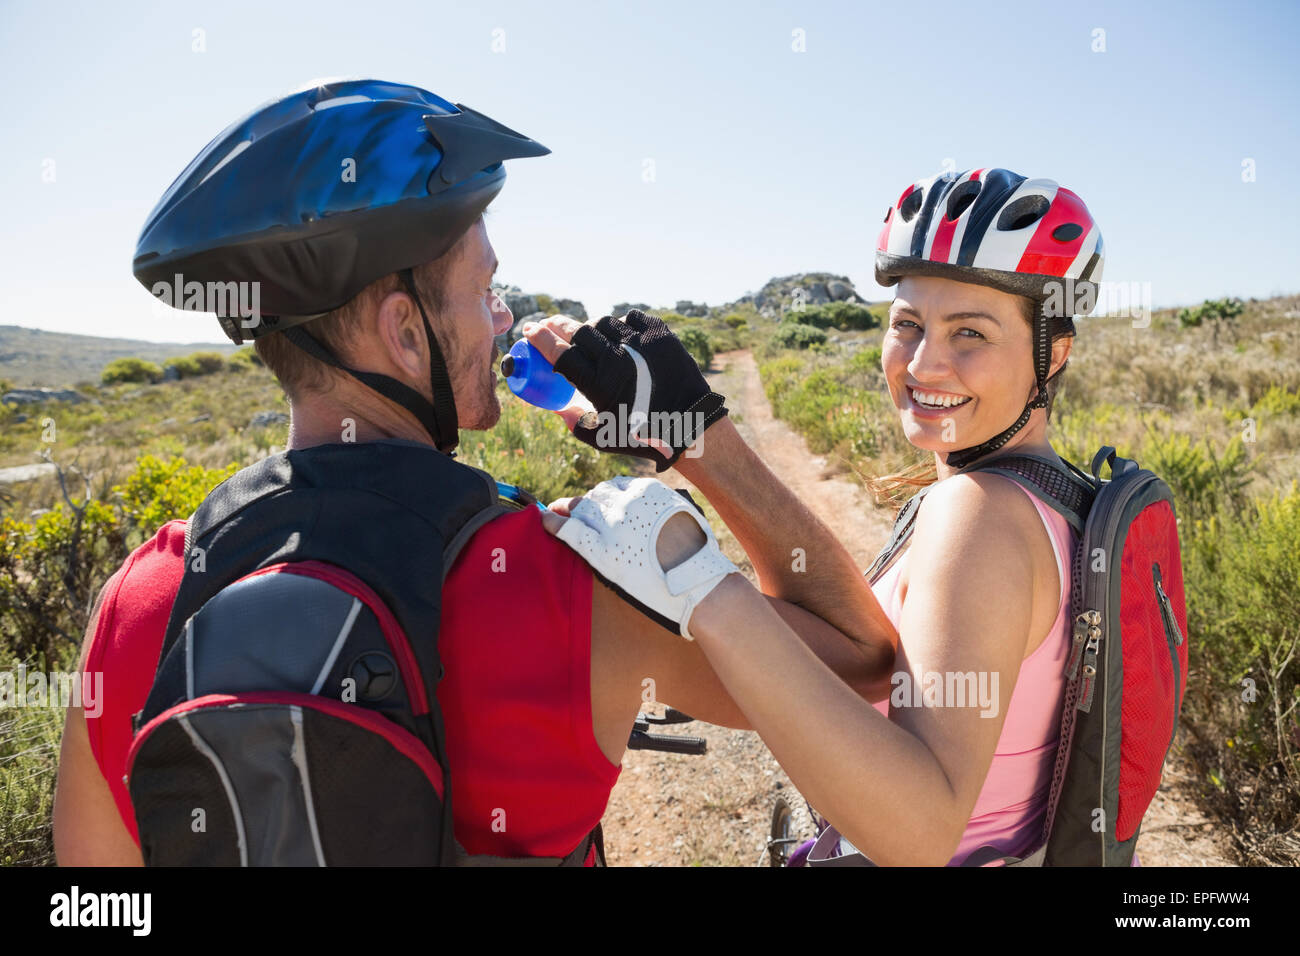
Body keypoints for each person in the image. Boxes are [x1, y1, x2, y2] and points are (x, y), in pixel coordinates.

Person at [51, 79, 896, 866]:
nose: (502, 319)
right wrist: (697, 431)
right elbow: (861, 665)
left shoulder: (139, 602)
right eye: (486, 289)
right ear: (405, 333)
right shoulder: (568, 586)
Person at [530, 167, 1128, 866]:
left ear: (1051, 354)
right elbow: (867, 657)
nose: (926, 363)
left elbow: (921, 832)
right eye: (908, 325)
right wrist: (698, 440)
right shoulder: (1054, 498)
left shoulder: (981, 514)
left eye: (970, 333)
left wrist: (697, 584)